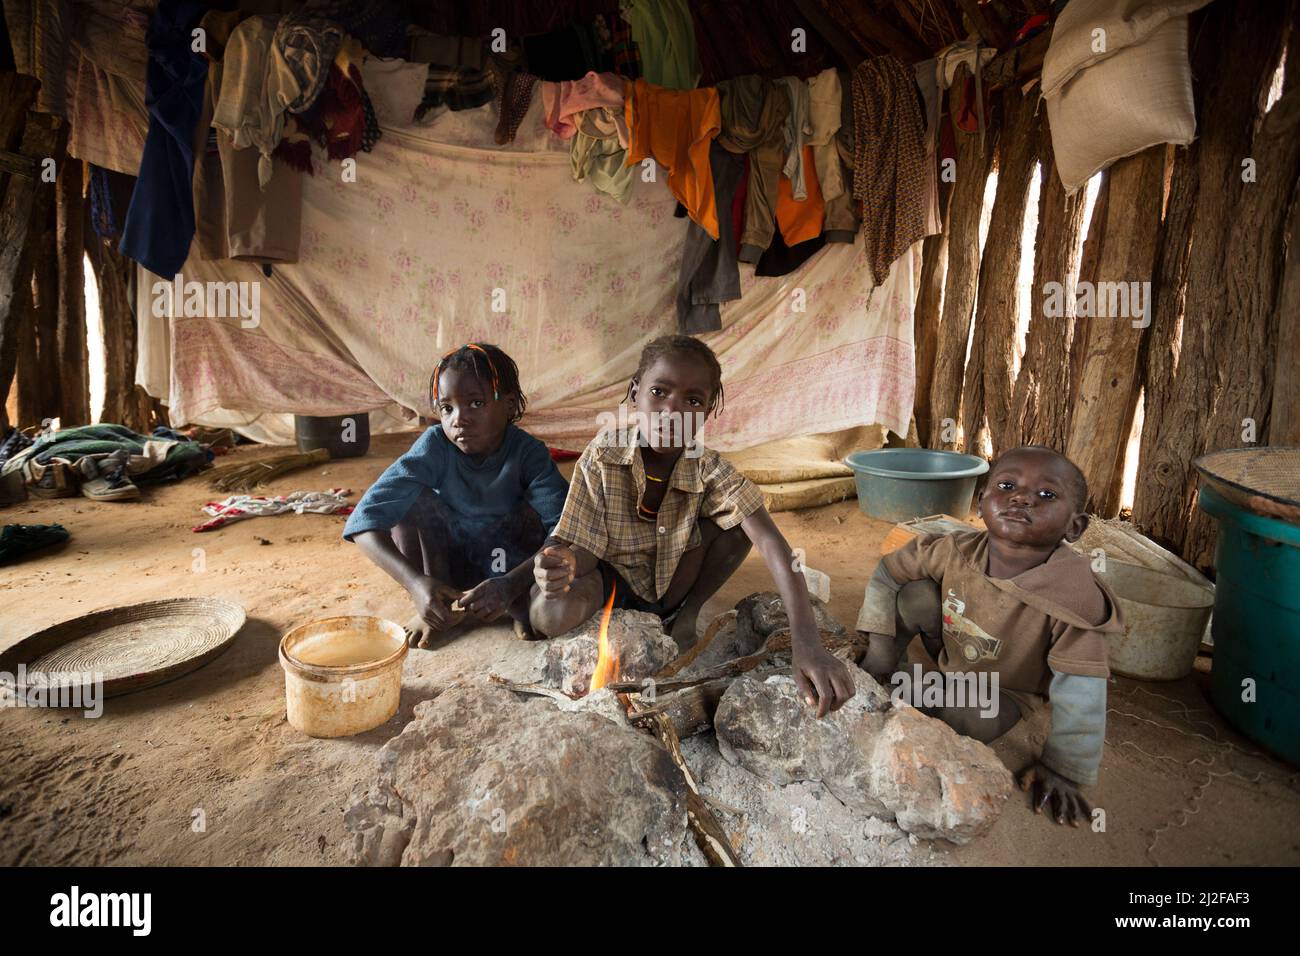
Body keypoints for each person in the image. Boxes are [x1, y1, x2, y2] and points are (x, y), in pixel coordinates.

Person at [530, 334, 853, 717]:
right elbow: (582, 546)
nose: (672, 411)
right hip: (611, 576)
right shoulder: (603, 455)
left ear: (708, 410)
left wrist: (808, 643)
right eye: (659, 392)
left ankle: (685, 616)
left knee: (739, 525)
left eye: (693, 400)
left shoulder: (709, 467)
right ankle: (594, 606)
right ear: (635, 393)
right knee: (549, 616)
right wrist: (564, 563)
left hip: (673, 582)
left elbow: (772, 544)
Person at [857, 445, 1123, 825]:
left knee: (965, 719)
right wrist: (881, 651)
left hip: (1004, 688)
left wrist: (1066, 768)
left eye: (1046, 494)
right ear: (981, 503)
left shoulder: (1074, 598)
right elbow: (888, 573)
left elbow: (1083, 690)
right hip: (951, 651)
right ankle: (889, 674)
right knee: (915, 593)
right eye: (1007, 485)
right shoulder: (954, 549)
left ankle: (912, 697)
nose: (1022, 497)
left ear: (1074, 527)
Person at [344, 344, 568, 647]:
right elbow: (364, 521)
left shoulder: (529, 454)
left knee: (536, 515)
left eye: (476, 403)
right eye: (447, 408)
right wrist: (414, 584)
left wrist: (511, 583)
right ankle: (436, 604)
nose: (458, 419)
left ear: (509, 405)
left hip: (511, 566)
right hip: (451, 566)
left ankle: (518, 603)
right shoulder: (435, 446)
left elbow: (566, 530)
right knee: (414, 502)